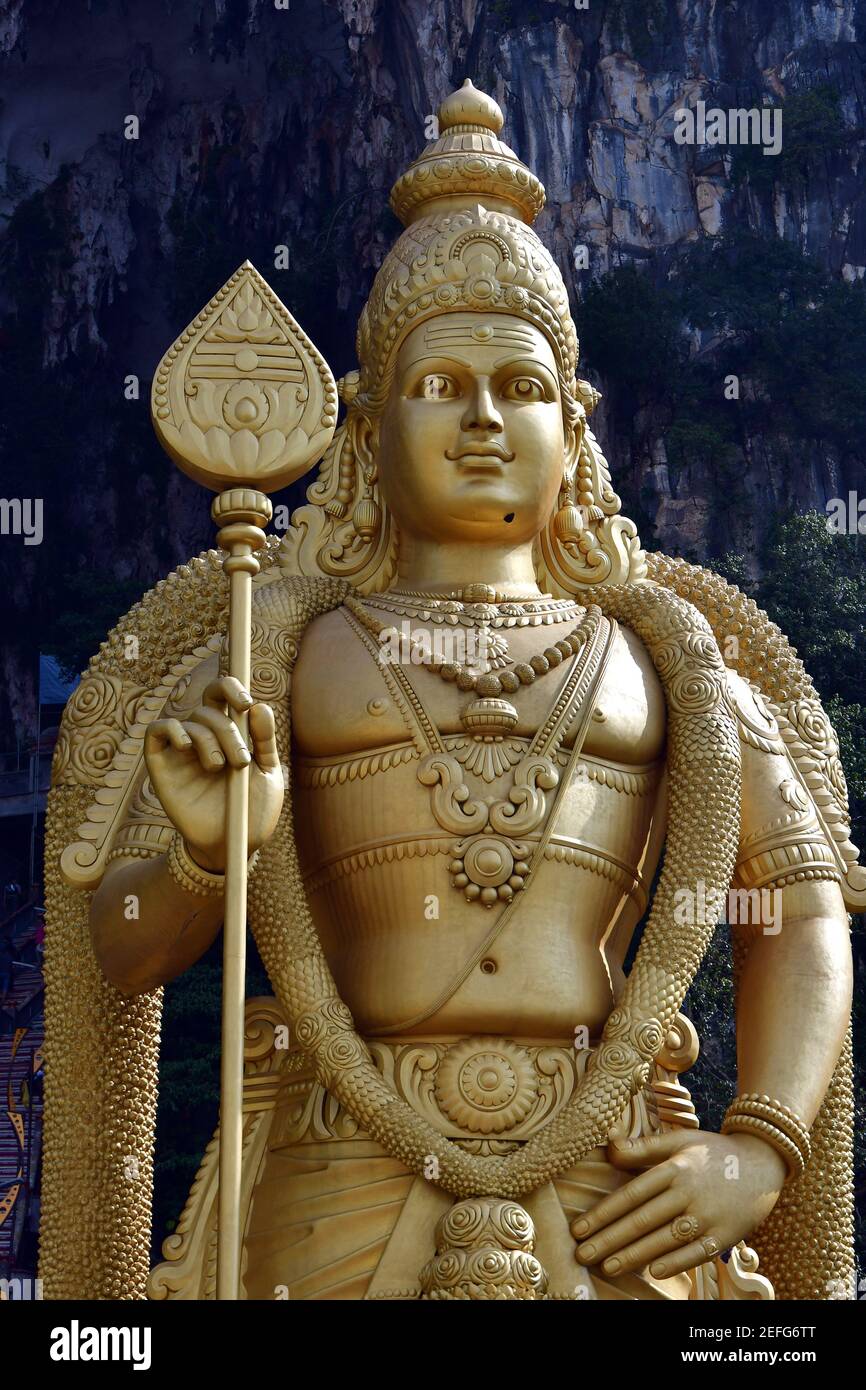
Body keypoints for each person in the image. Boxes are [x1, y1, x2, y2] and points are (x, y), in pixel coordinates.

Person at [44, 81, 857, 1302]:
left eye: (519, 387)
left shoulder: (668, 658)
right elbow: (115, 948)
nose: (483, 417)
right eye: (442, 385)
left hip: (614, 1166)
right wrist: (208, 863)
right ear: (368, 429)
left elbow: (795, 912)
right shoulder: (274, 650)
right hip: (339, 1162)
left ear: (572, 426)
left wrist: (758, 1144)